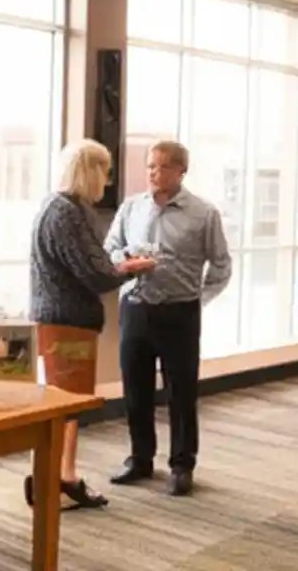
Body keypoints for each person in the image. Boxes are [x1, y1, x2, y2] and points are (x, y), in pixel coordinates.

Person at [28, 138, 157, 510]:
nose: (108, 179)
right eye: (105, 170)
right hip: (67, 321)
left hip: (59, 318)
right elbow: (96, 274)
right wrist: (134, 267)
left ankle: (61, 475)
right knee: (65, 406)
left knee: (66, 405)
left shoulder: (53, 206)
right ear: (91, 171)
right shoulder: (69, 211)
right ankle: (54, 478)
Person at [104, 140, 230, 496]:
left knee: (181, 391)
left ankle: (181, 464)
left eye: (161, 167)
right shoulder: (131, 208)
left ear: (180, 171)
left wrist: (198, 299)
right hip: (136, 308)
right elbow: (110, 248)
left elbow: (221, 264)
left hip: (180, 312)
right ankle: (140, 458)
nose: (153, 174)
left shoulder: (203, 213)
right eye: (149, 167)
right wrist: (124, 261)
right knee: (136, 389)